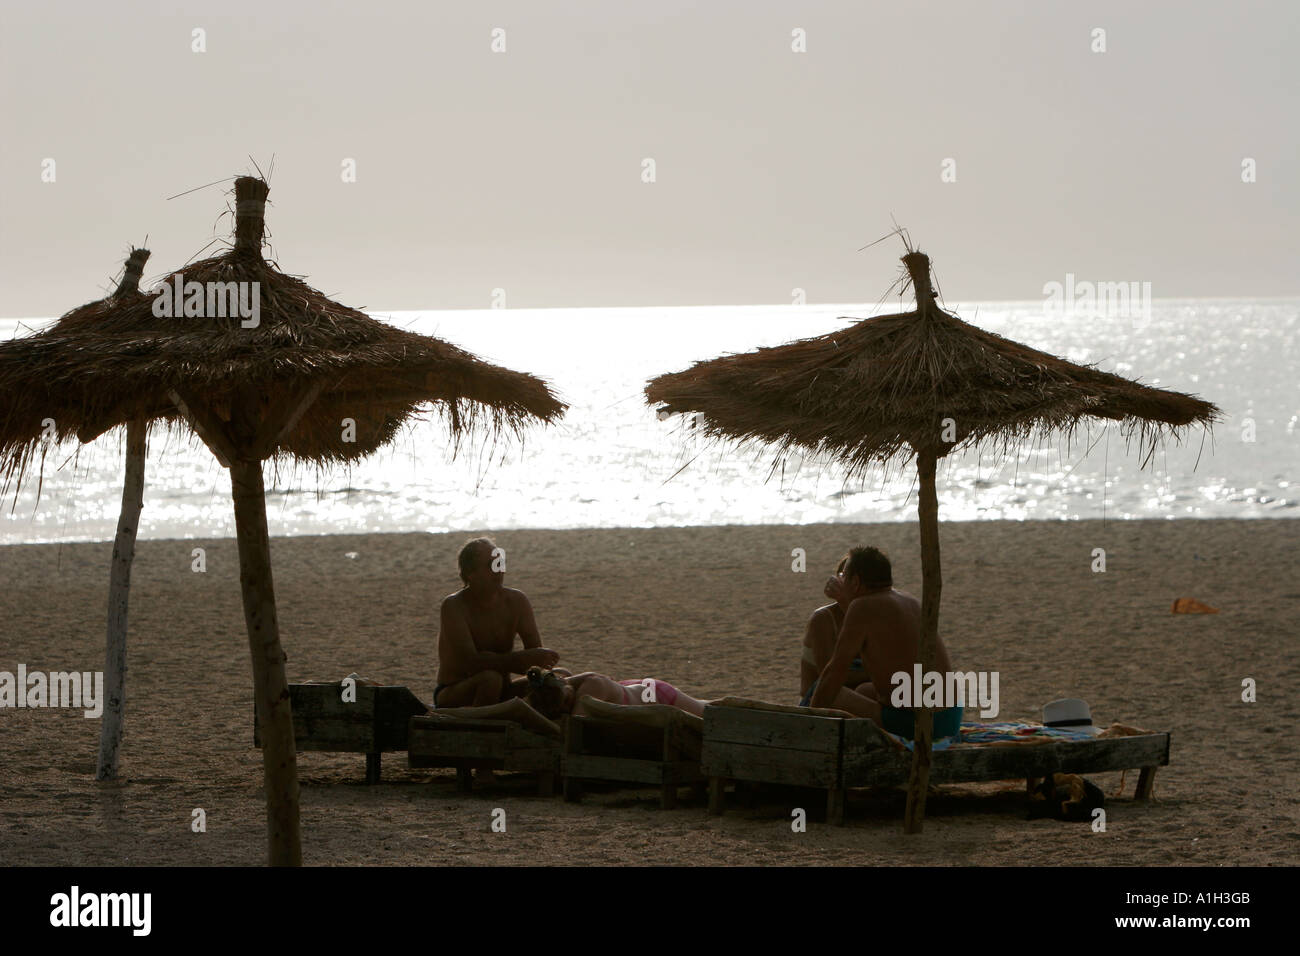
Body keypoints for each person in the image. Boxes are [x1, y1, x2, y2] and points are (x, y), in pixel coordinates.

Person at [809, 546, 963, 739]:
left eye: (843, 576)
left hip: (924, 724)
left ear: (855, 581)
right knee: (864, 690)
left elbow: (834, 672)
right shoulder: (909, 600)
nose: (840, 580)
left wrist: (810, 720)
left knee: (828, 693)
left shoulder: (862, 607)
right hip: (950, 716)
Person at [433, 537, 563, 708]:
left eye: (501, 563)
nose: (499, 570)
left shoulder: (517, 601)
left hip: (503, 689)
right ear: (470, 573)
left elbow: (534, 658)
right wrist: (518, 660)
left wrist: (541, 662)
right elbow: (471, 663)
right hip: (457, 691)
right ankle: (482, 731)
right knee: (490, 679)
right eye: (491, 566)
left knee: (559, 677)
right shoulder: (454, 606)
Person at [799, 554, 873, 707]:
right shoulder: (823, 619)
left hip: (854, 700)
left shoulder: (874, 614)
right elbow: (829, 677)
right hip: (820, 703)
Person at [524, 667, 712, 719]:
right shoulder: (562, 682)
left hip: (654, 695)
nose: (567, 707)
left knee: (707, 711)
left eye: (566, 701)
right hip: (630, 692)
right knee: (702, 704)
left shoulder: (591, 687)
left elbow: (576, 726)